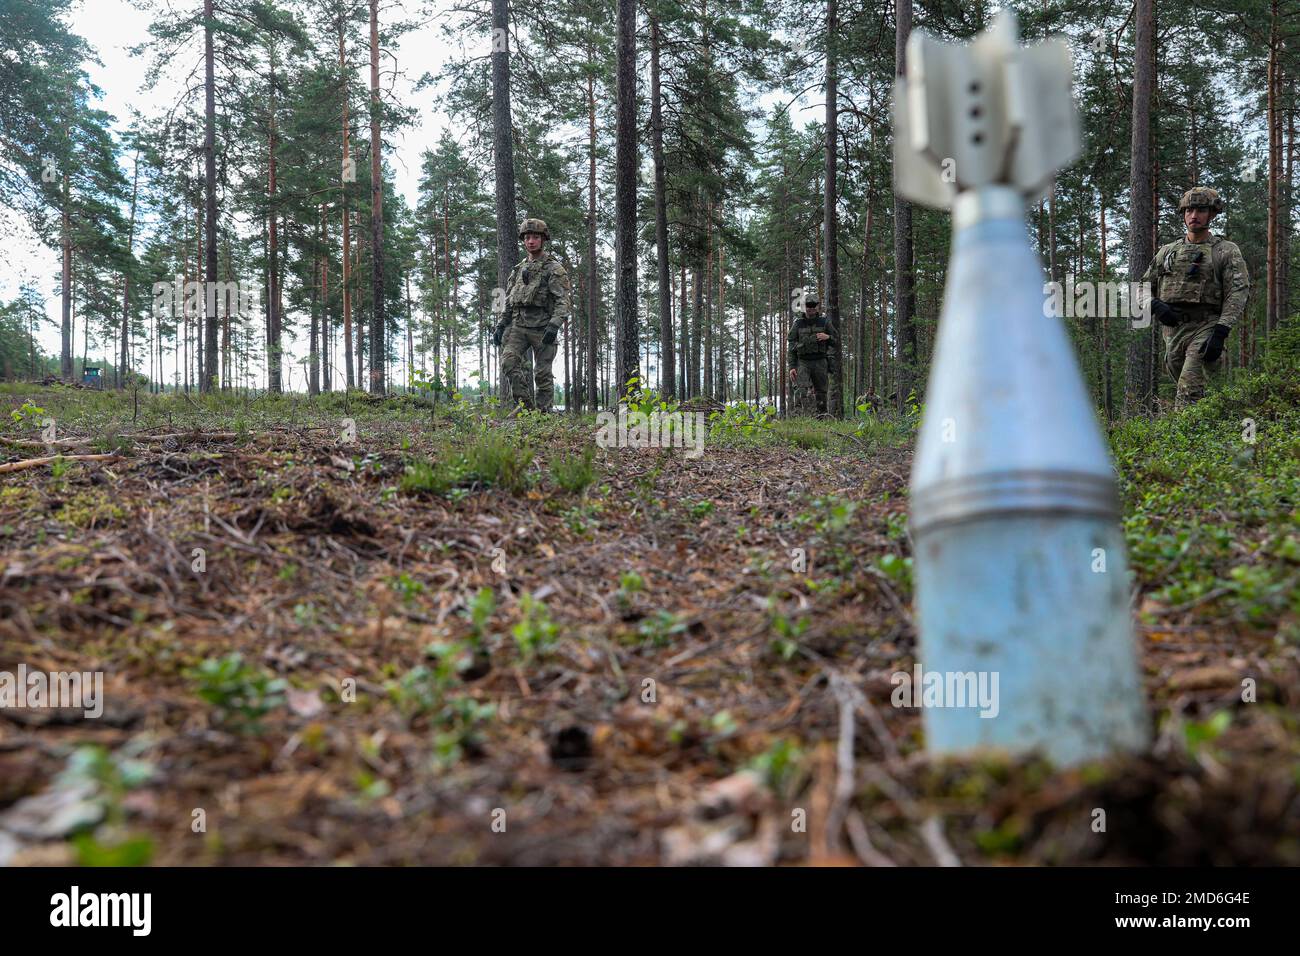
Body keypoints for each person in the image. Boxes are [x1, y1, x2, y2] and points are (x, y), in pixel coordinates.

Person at [1141, 186, 1250, 410]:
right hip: (1173, 332)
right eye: (1189, 210)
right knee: (1199, 394)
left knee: (1189, 391)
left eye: (1201, 210)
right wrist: (1154, 305)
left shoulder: (1225, 251)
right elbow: (1141, 287)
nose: (1194, 215)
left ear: (1212, 214)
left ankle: (1183, 443)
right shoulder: (1167, 251)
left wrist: (1221, 330)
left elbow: (1238, 290)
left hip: (1206, 326)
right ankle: (1216, 431)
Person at [494, 218, 570, 412]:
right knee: (508, 362)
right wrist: (501, 324)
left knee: (543, 374)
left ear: (543, 239)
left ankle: (544, 415)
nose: (531, 241)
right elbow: (510, 298)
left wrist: (554, 325)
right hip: (519, 327)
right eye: (527, 237)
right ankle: (526, 408)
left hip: (543, 328)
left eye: (535, 237)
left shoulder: (554, 269)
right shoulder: (519, 269)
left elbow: (563, 301)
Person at [786, 289, 836, 416]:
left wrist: (828, 337)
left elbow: (837, 341)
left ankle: (822, 418)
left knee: (821, 392)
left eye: (814, 305)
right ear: (803, 307)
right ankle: (799, 418)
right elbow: (791, 346)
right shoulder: (798, 324)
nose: (811, 308)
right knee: (800, 390)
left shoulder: (825, 322)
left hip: (820, 361)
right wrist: (792, 366)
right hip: (803, 362)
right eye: (808, 305)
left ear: (817, 306)